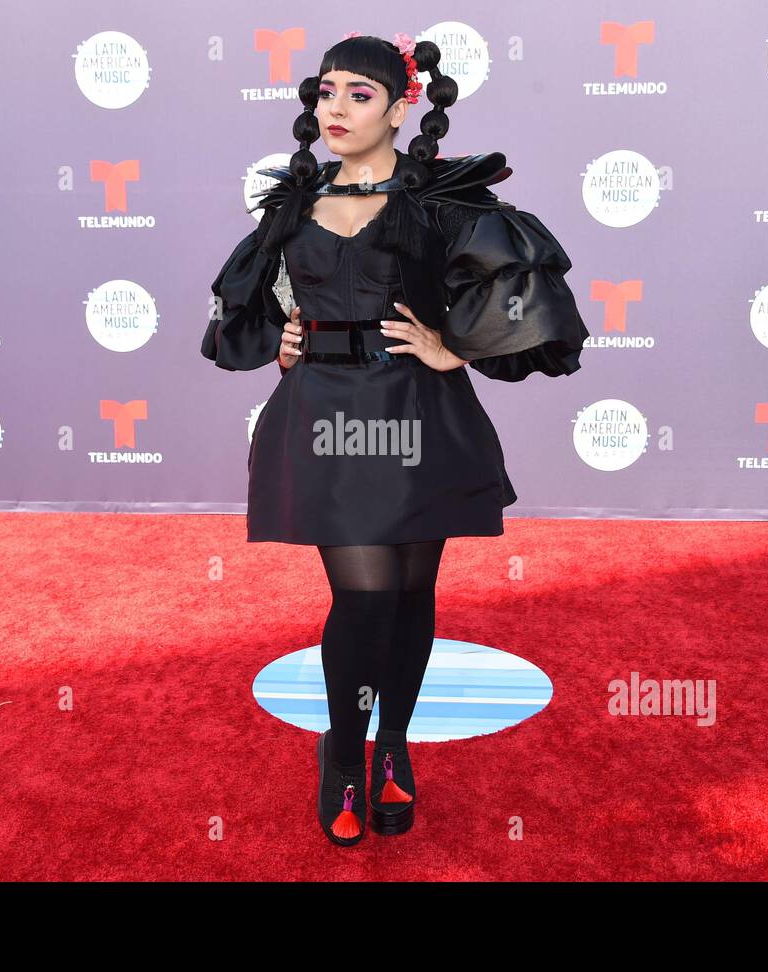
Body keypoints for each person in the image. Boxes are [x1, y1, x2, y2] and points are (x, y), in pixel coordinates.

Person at [203, 32, 589, 846]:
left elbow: (528, 289)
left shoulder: (439, 203)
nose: (334, 109)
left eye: (358, 94)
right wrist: (279, 338)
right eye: (326, 92)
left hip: (419, 411)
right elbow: (246, 304)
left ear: (401, 104)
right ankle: (343, 756)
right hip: (326, 417)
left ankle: (392, 752)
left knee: (412, 595)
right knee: (364, 596)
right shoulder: (291, 204)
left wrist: (458, 346)